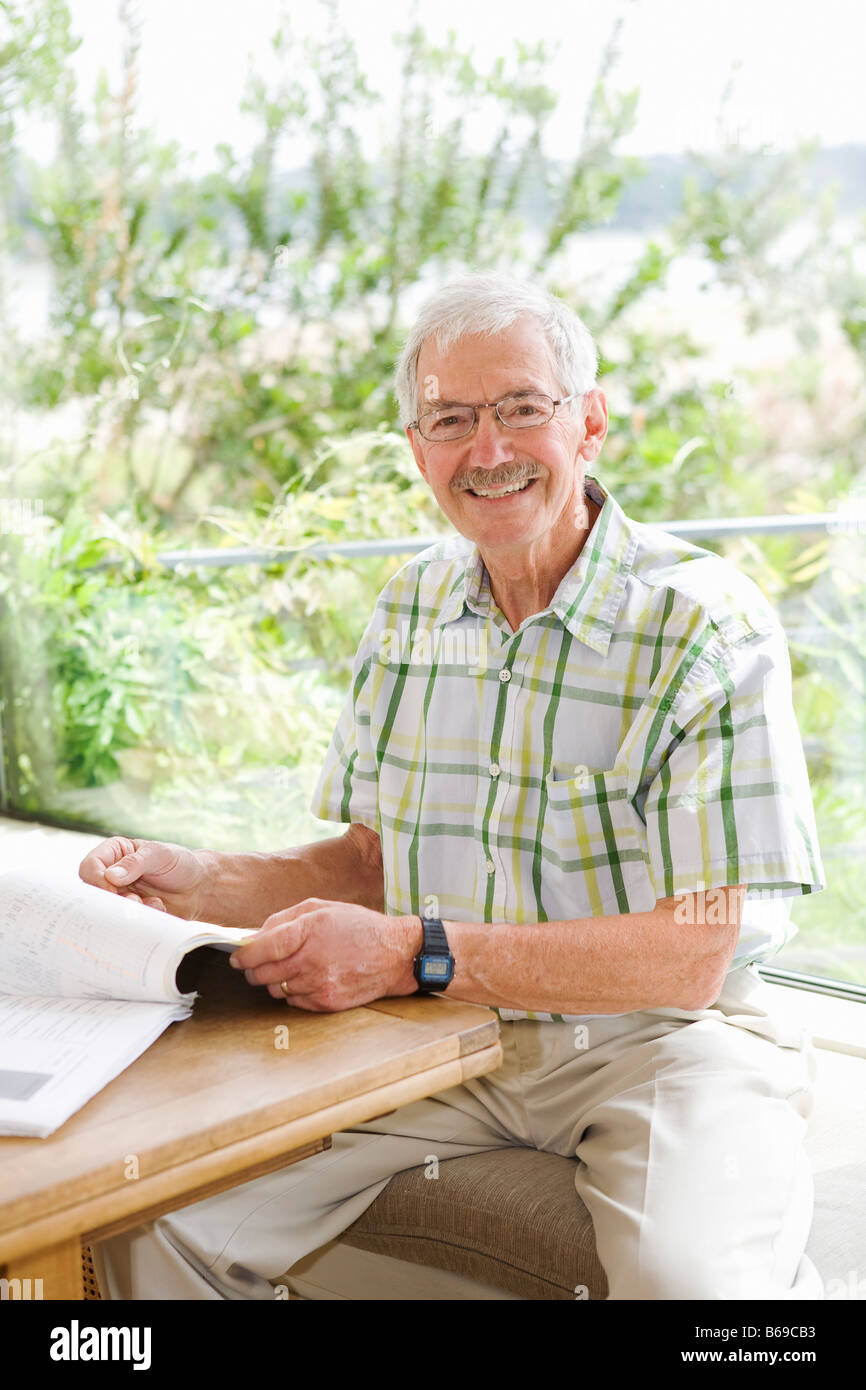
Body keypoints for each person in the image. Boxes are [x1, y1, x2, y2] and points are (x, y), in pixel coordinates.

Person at [81, 273, 825, 1300]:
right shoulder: (410, 606)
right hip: (444, 1038)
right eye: (451, 419)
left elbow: (691, 952)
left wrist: (412, 952)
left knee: (688, 1284)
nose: (487, 450)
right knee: (152, 1210)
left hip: (662, 1041)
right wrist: (201, 881)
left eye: (520, 408)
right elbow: (370, 864)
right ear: (416, 446)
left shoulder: (702, 624)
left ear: (590, 423)